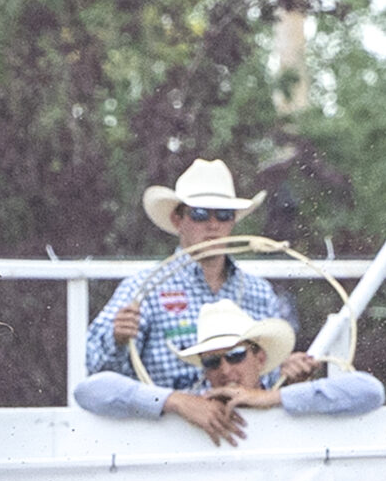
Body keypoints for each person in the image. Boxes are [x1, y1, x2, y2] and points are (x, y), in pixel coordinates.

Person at [79, 159, 325, 438]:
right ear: (177, 219)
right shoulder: (142, 291)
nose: (212, 226)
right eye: (199, 215)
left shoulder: (260, 292)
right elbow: (93, 373)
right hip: (167, 436)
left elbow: (266, 379)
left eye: (223, 215)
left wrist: (289, 378)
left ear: (233, 222)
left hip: (250, 433)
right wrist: (117, 339)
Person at [77, 297, 383, 443]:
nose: (225, 370)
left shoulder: (285, 396)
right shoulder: (190, 402)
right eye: (212, 361)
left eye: (235, 356)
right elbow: (88, 391)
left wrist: (270, 399)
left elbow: (370, 392)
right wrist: (177, 402)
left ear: (259, 358)